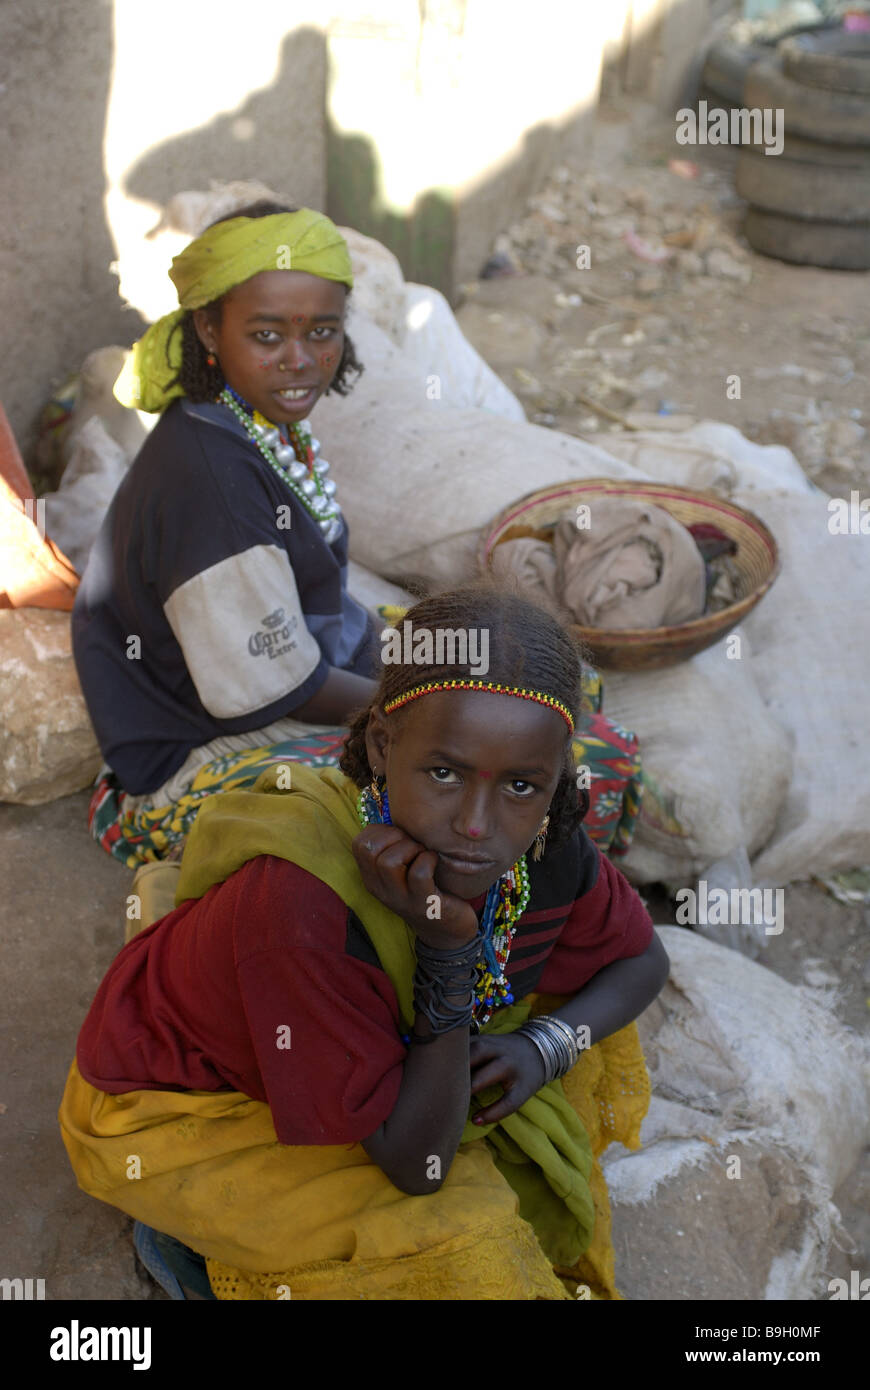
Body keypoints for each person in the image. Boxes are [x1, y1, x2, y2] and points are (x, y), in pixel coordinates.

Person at [59, 588, 669, 1301]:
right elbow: (421, 1169)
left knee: (587, 1037)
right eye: (443, 773)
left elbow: (641, 958)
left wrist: (542, 1047)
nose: (476, 825)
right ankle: (195, 1238)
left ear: (558, 776)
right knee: (468, 1255)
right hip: (196, 1105)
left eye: (521, 784)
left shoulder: (542, 842)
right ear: (383, 745)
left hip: (396, 1071)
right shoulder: (297, 903)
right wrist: (447, 953)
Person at [72, 201, 381, 866]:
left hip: (269, 694)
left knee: (513, 677)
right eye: (267, 336)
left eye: (322, 331)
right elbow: (282, 687)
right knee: (491, 770)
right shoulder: (211, 486)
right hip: (188, 769)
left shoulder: (255, 424)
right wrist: (420, 703)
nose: (300, 361)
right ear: (210, 328)